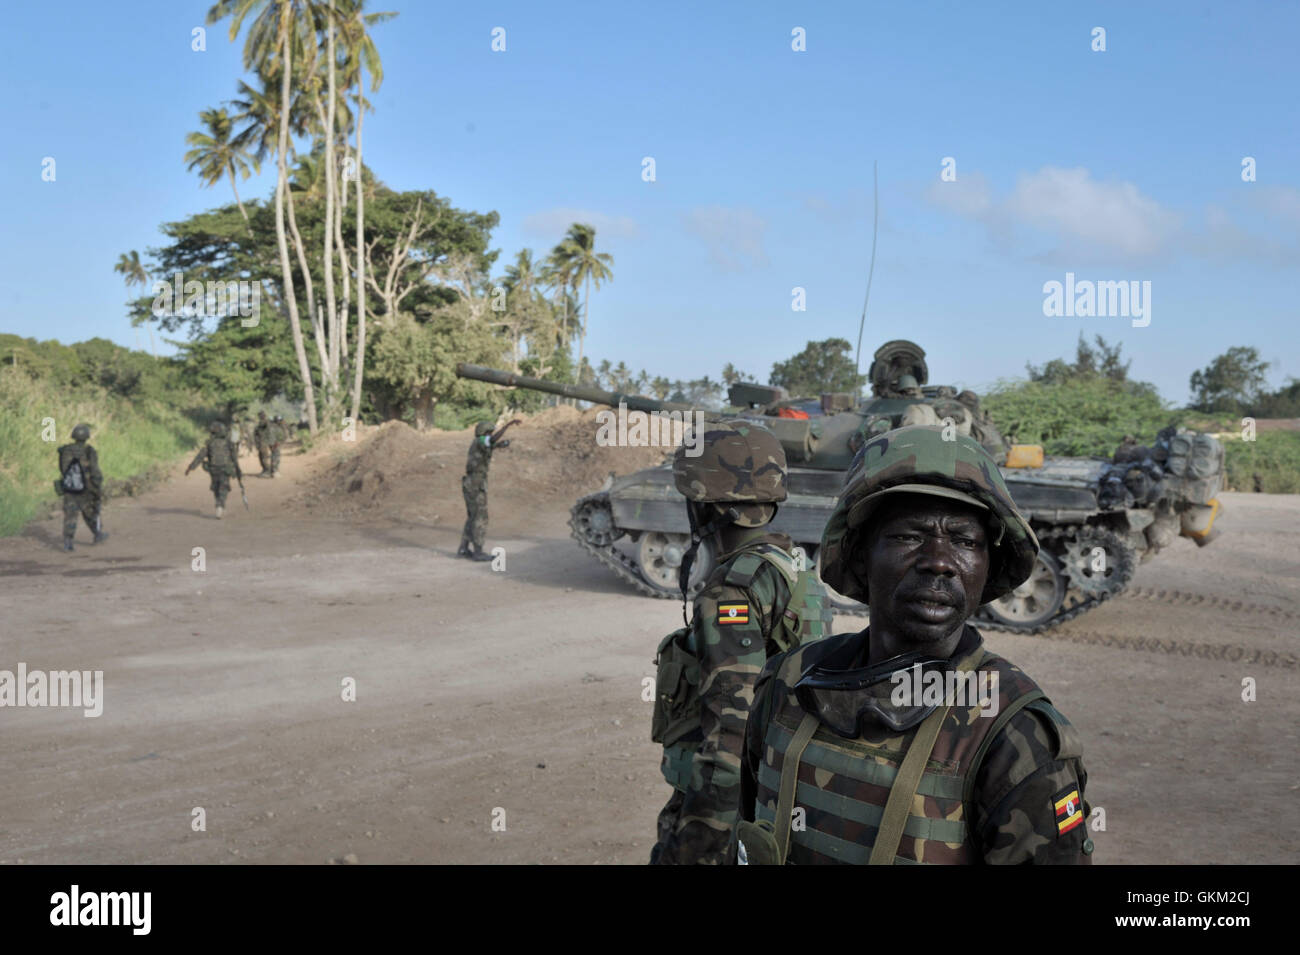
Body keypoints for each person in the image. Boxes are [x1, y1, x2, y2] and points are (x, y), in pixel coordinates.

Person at [737, 425, 1093, 865]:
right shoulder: (788, 684)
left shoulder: (1014, 735)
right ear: (861, 554)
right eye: (909, 536)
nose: (939, 561)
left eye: (964, 541)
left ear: (987, 566)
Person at [649, 421, 833, 865]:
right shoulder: (792, 566)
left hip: (734, 805)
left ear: (704, 506)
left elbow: (729, 727)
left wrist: (700, 845)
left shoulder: (731, 589)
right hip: (776, 788)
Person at [457, 418, 520, 560]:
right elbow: (489, 441)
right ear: (484, 433)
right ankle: (478, 552)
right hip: (475, 484)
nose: (491, 435)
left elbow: (489, 445)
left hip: (472, 483)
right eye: (489, 432)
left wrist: (499, 446)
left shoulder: (481, 443)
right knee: (480, 517)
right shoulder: (480, 440)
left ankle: (463, 549)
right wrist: (507, 426)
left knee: (472, 517)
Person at [56, 423, 107, 551]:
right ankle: (97, 534)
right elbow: (95, 471)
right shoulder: (89, 451)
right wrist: (97, 485)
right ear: (86, 437)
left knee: (70, 515)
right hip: (86, 488)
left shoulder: (65, 450)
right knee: (90, 512)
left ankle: (68, 542)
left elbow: (63, 469)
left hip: (69, 487)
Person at [185, 421, 242, 519]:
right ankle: (220, 505)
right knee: (223, 487)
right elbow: (234, 457)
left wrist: (191, 467)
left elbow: (200, 456)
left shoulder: (209, 442)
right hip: (225, 468)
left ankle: (218, 504)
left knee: (216, 487)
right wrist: (238, 469)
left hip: (213, 469)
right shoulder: (228, 442)